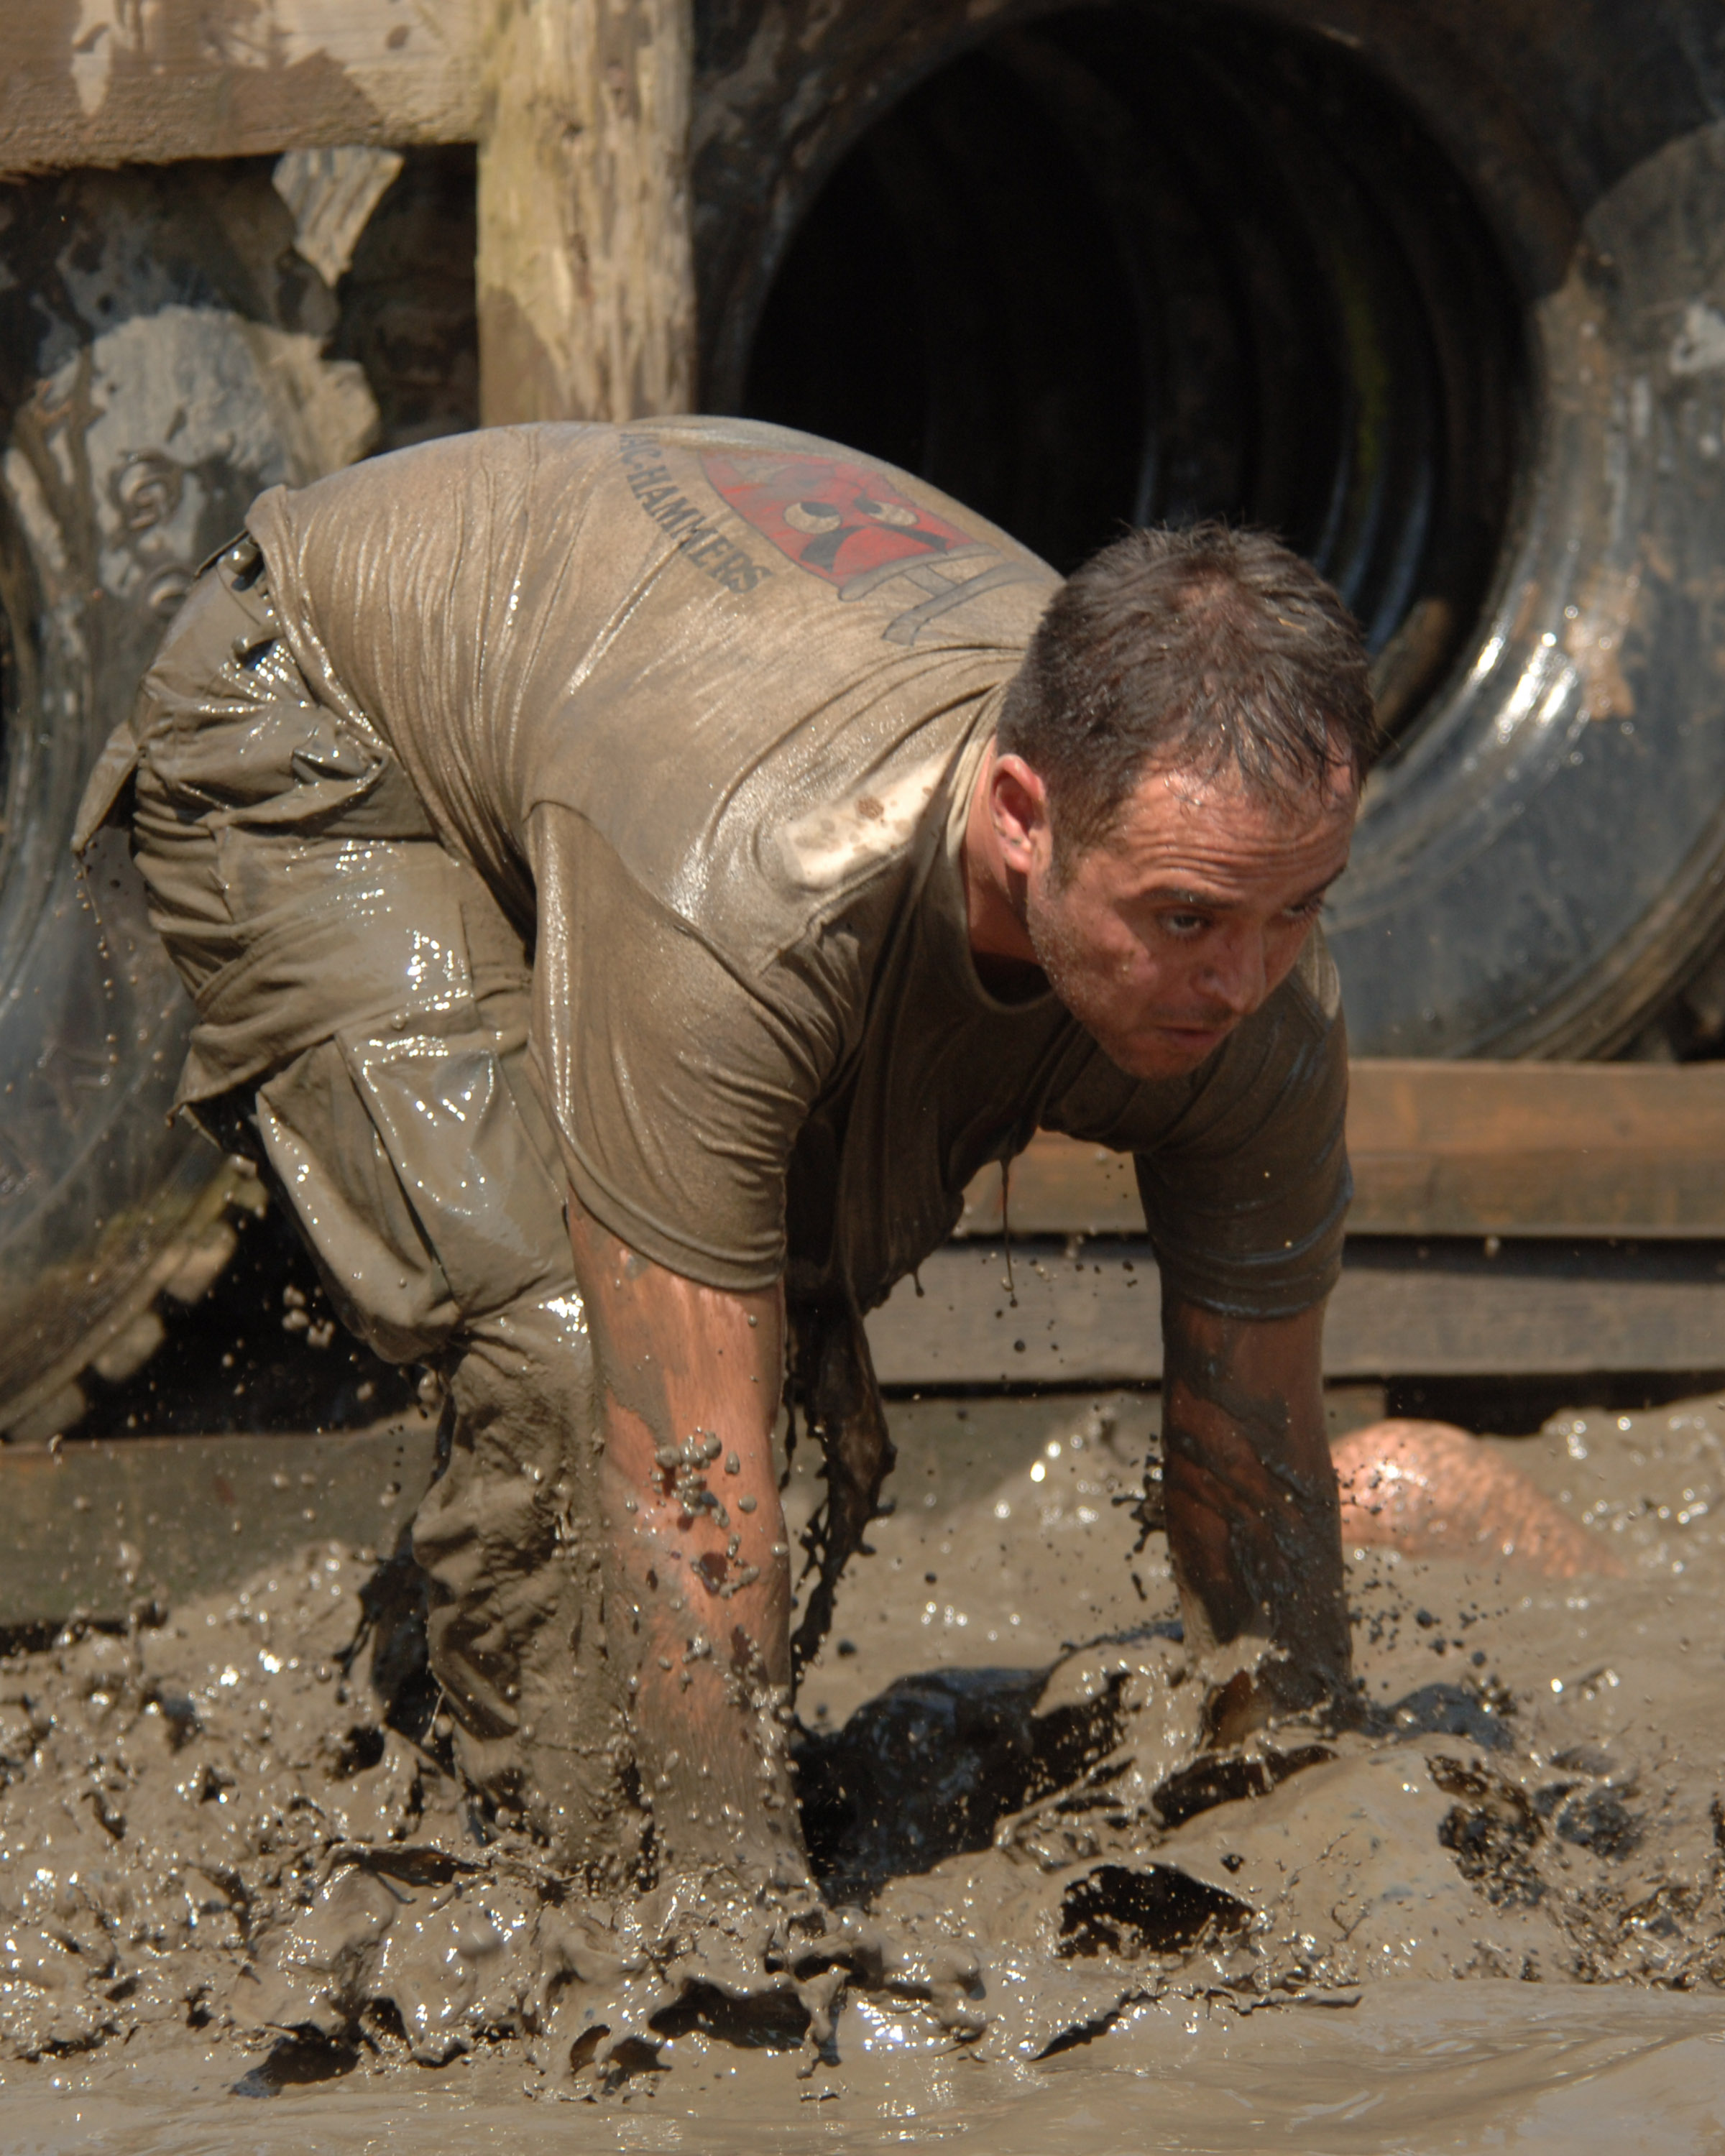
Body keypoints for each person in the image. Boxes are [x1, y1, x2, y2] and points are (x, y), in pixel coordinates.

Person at [74, 418, 1375, 1897]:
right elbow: (684, 1478)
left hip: (649, 708)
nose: (1242, 982)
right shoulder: (755, 900)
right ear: (1024, 818)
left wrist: (1306, 1816)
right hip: (330, 712)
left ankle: (517, 1697)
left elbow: (1255, 1457)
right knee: (575, 1349)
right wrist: (734, 1934)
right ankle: (595, 1892)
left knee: (765, 1295)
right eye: (1188, 920)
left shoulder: (1264, 994)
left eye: (1300, 912)